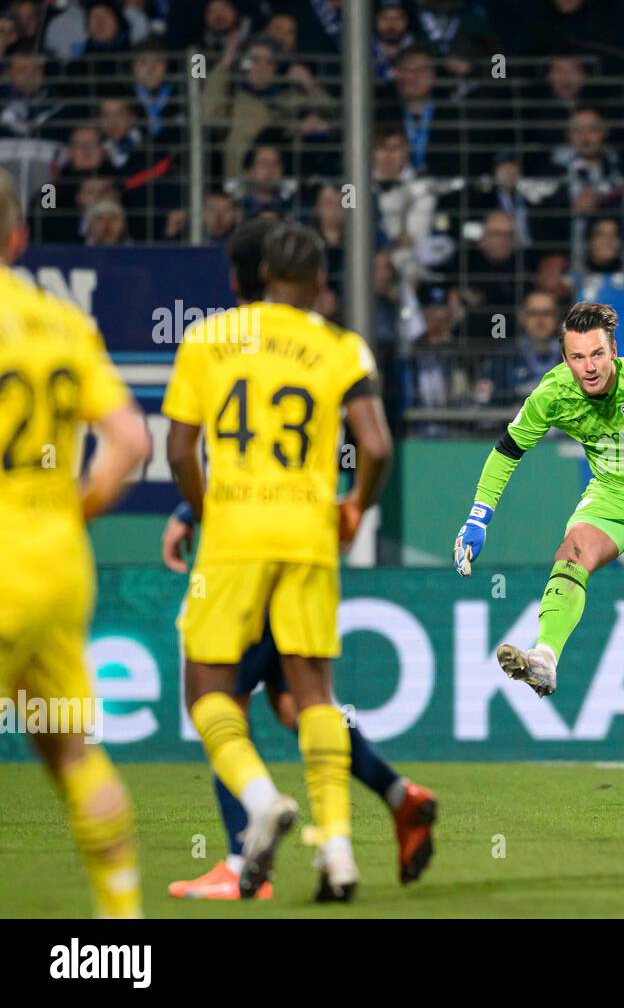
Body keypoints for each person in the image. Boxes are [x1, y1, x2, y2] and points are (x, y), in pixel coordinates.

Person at [164, 219, 437, 901]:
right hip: (310, 528)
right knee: (307, 695)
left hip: (233, 534)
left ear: (253, 278)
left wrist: (201, 511)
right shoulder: (340, 346)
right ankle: (340, 852)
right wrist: (353, 509)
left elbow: (177, 450)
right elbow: (375, 446)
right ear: (321, 283)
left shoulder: (207, 338)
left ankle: (250, 831)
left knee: (212, 690)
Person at [0, 167, 151, 916]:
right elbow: (129, 440)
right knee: (69, 747)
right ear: (19, 237)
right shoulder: (61, 321)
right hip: (56, 560)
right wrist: (71, 510)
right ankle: (120, 924)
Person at [452, 301, 624, 696]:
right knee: (572, 552)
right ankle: (544, 659)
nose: (590, 367)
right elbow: (508, 450)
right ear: (565, 359)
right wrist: (478, 517)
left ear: (613, 351)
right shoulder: (552, 395)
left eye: (598, 354)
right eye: (578, 357)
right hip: (613, 494)